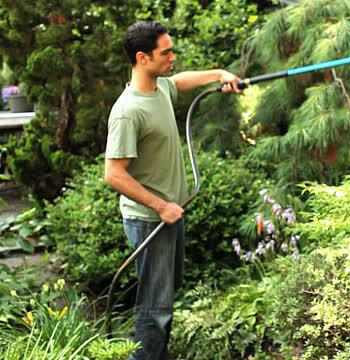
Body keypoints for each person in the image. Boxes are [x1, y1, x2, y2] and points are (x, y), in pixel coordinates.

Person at [104, 21, 241, 360]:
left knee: (163, 298)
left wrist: (219, 74)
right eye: (165, 52)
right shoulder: (127, 111)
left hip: (169, 215)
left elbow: (180, 82)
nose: (172, 57)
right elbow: (114, 175)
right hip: (151, 219)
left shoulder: (160, 88)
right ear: (142, 57)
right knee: (155, 308)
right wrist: (160, 206)